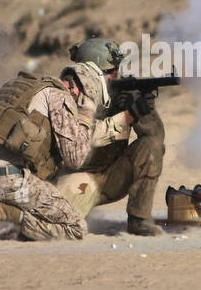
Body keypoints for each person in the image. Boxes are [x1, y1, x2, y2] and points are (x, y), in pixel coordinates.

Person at [0, 61, 106, 243]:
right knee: (75, 228)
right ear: (82, 92)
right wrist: (86, 114)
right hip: (10, 180)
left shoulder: (25, 87)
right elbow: (75, 158)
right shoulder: (59, 97)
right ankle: (1, 211)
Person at [52, 38, 166, 237]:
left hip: (113, 176)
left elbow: (155, 140)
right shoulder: (67, 96)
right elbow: (86, 138)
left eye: (116, 69)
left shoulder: (118, 94)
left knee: (151, 145)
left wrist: (142, 110)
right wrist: (124, 115)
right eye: (109, 71)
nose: (116, 74)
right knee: (58, 227)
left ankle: (139, 219)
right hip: (78, 177)